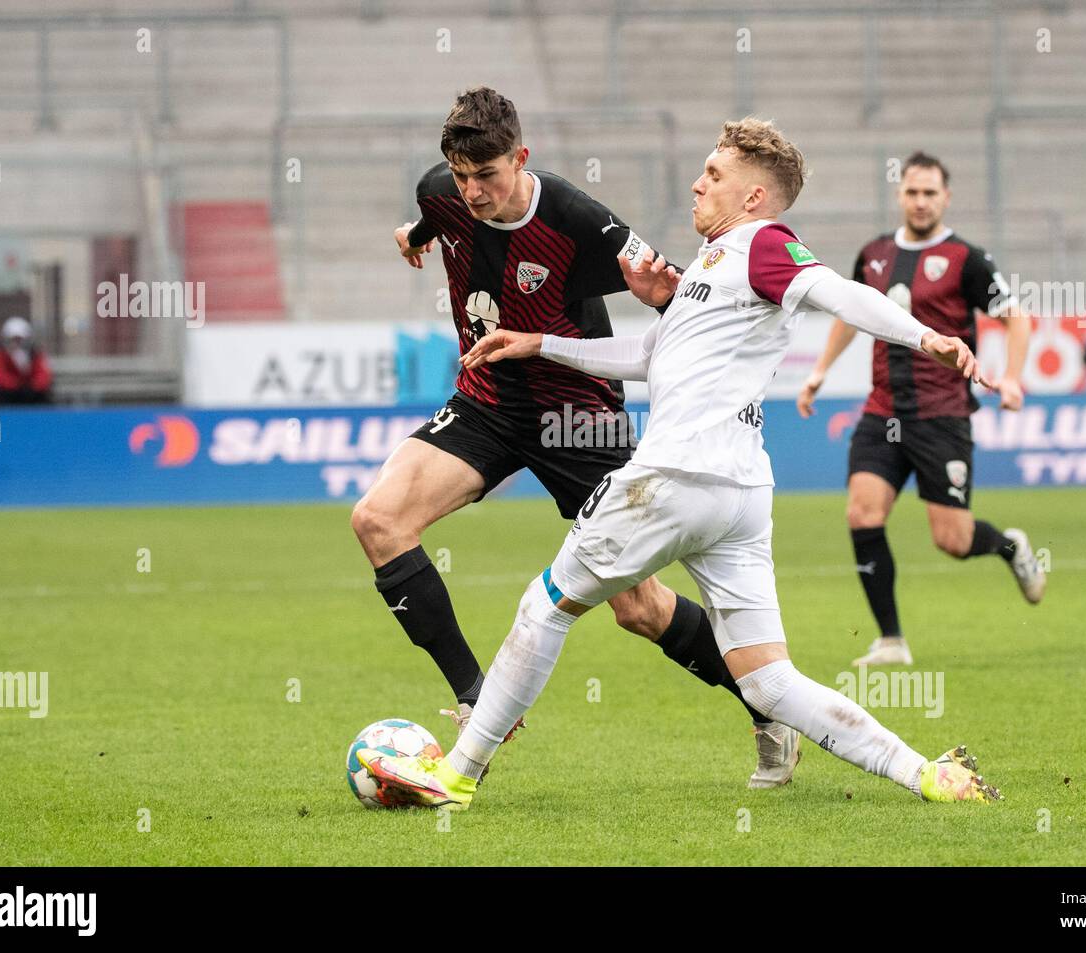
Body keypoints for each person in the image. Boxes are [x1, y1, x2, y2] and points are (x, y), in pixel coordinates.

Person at [359, 118, 1002, 810]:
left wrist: (928, 336)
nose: (698, 183)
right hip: (739, 495)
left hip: (672, 479)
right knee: (768, 681)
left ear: (754, 197)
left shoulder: (764, 245)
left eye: (715, 175)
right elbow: (642, 358)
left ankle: (455, 774)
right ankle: (929, 775)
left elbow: (838, 293)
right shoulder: (713, 269)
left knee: (543, 607)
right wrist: (539, 343)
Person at [351, 87, 801, 787]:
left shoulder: (577, 220)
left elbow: (674, 295)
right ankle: (476, 702)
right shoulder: (440, 193)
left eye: (488, 176)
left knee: (640, 609)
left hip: (578, 417)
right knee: (378, 519)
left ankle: (770, 706)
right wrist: (412, 237)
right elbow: (432, 221)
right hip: (486, 401)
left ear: (521, 158)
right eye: (460, 176)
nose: (471, 192)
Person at [796, 151, 1045, 667]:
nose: (921, 201)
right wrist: (819, 370)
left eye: (931, 192)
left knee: (951, 540)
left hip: (942, 414)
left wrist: (1014, 378)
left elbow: (1015, 318)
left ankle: (1010, 548)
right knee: (862, 513)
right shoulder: (874, 254)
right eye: (912, 191)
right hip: (882, 410)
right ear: (900, 194)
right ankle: (891, 641)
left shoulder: (967, 259)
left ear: (946, 197)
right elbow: (850, 314)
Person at [0, 316, 53, 405]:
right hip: (8, 397)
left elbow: (43, 375)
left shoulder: (36, 356)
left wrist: (31, 386)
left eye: (20, 340)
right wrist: (17, 385)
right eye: (13, 340)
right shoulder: (0, 356)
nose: (17, 344)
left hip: (33, 397)